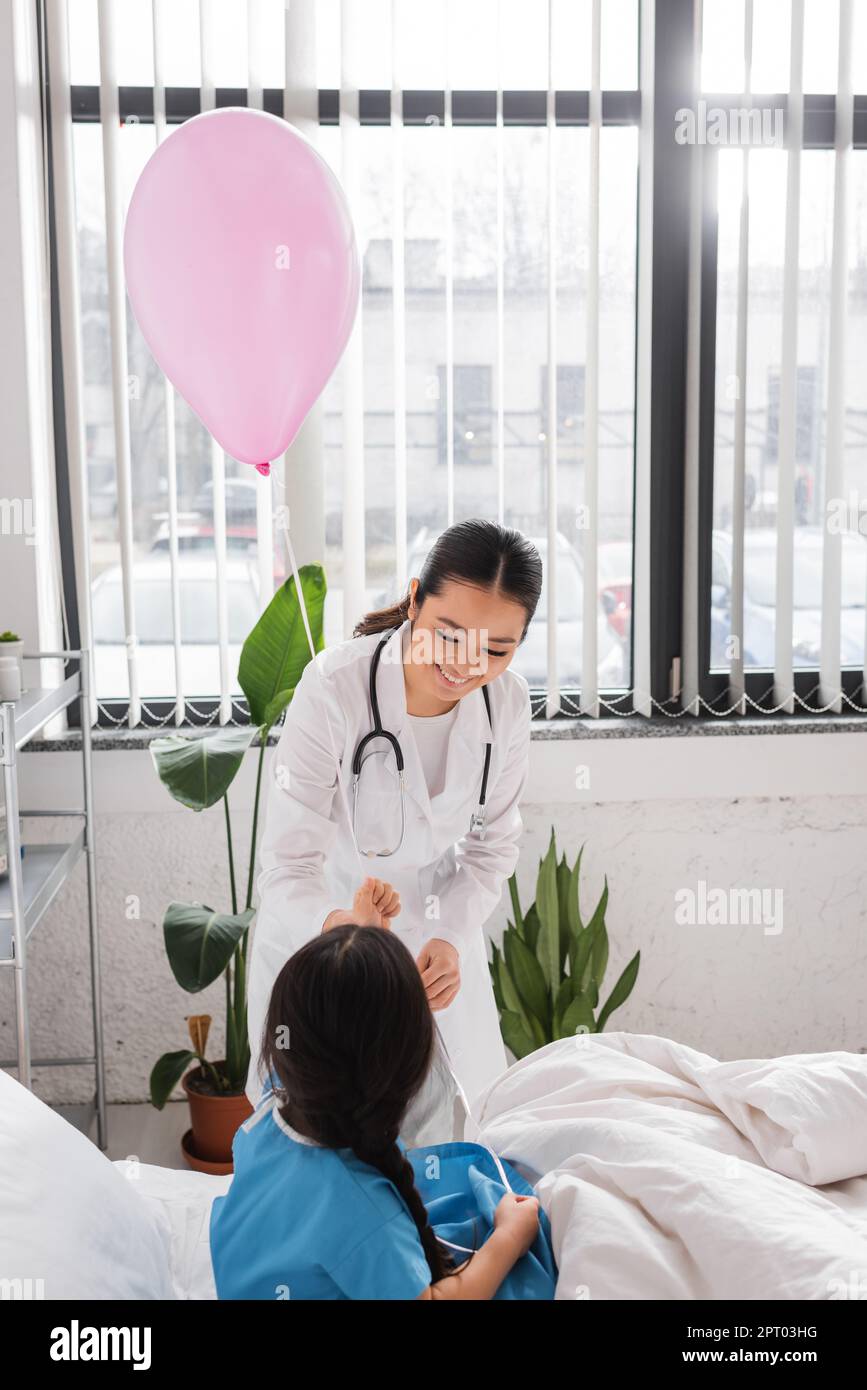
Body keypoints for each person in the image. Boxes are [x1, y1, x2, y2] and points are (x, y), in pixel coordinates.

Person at [246, 519, 543, 1111]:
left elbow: (490, 849)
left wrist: (451, 935)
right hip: (321, 939)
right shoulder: (334, 687)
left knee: (461, 1131)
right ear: (414, 599)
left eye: (496, 649)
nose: (466, 665)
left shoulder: (506, 706)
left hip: (434, 944)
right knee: (318, 1137)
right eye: (449, 635)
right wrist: (343, 929)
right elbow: (286, 866)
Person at [212, 919, 541, 1300]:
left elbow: (329, 1012)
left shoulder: (270, 1110)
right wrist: (510, 1237)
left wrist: (356, 941)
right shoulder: (365, 1209)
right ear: (411, 1066)